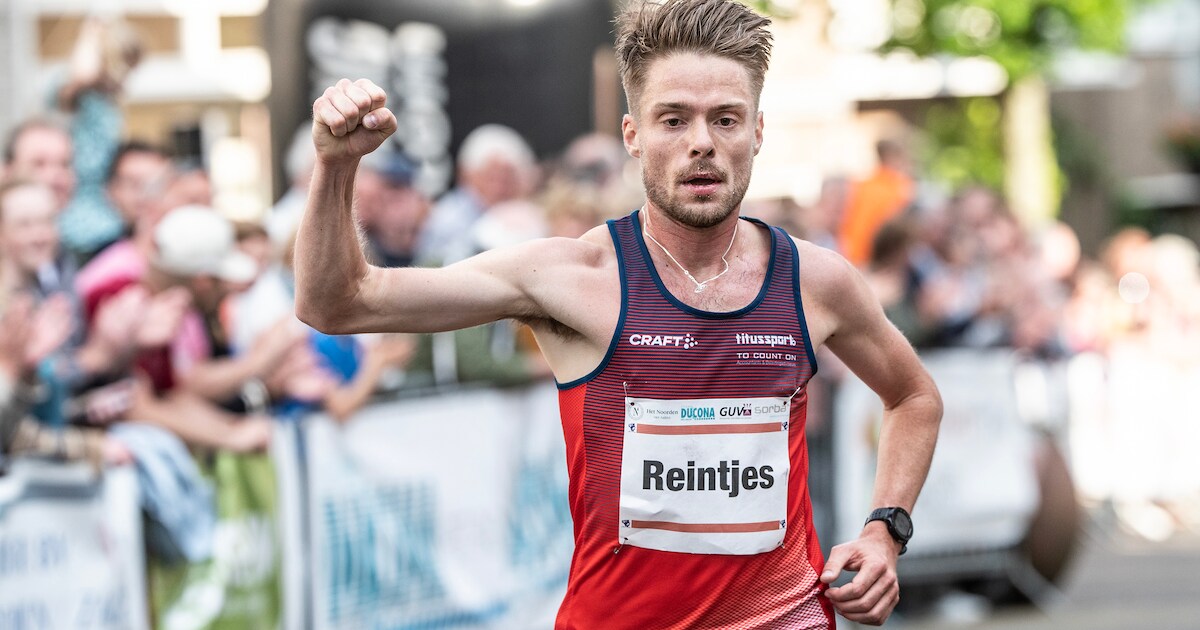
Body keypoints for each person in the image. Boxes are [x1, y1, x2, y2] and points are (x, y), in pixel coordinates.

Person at [295, 0, 942, 627]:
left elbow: (913, 396)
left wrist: (884, 531)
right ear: (633, 135)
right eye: (673, 120)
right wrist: (336, 164)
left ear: (757, 132)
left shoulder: (814, 281)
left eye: (725, 119)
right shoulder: (570, 276)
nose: (702, 144)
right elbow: (339, 302)